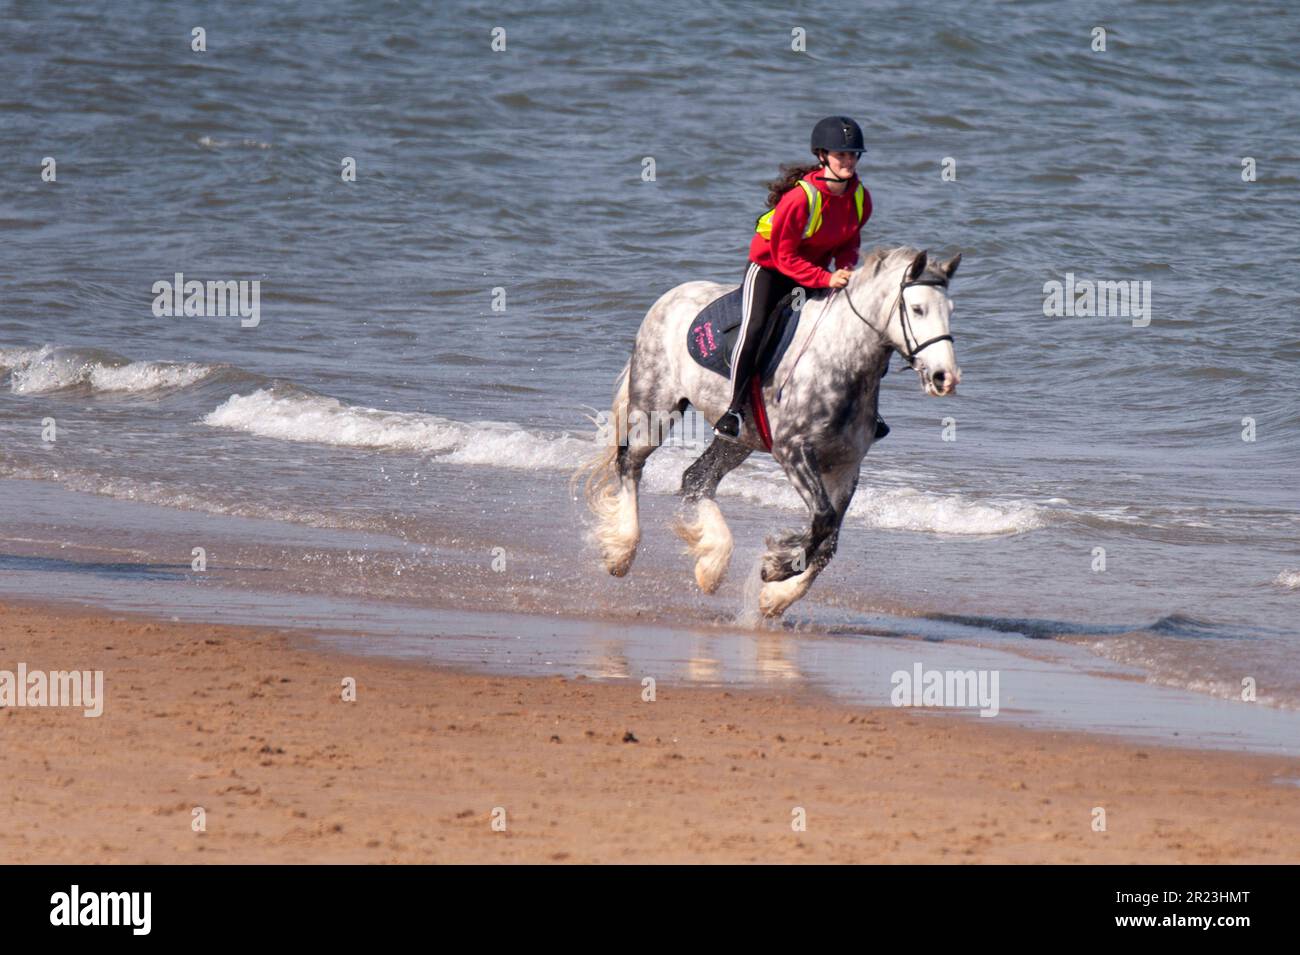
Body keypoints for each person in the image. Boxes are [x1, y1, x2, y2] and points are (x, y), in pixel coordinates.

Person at [714, 115, 873, 440]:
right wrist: (825, 279)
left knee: (855, 325)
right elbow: (784, 256)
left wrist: (844, 267)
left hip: (814, 273)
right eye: (841, 154)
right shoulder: (799, 199)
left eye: (853, 154)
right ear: (822, 156)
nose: (848, 161)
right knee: (755, 326)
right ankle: (733, 410)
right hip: (771, 268)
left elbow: (849, 241)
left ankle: (865, 410)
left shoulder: (860, 197)